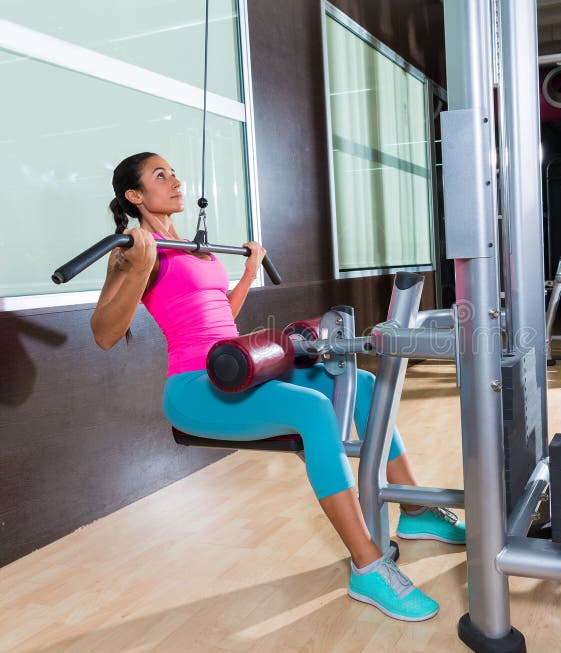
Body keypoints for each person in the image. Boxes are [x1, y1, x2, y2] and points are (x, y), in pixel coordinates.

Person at [90, 152, 465, 622]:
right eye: (160, 175)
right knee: (312, 409)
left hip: (231, 366)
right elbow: (104, 334)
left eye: (173, 171)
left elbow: (220, 317)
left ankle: (415, 510)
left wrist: (248, 273)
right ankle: (368, 567)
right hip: (192, 387)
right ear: (135, 196)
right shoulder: (133, 251)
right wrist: (141, 268)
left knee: (362, 382)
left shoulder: (191, 248)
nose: (176, 181)